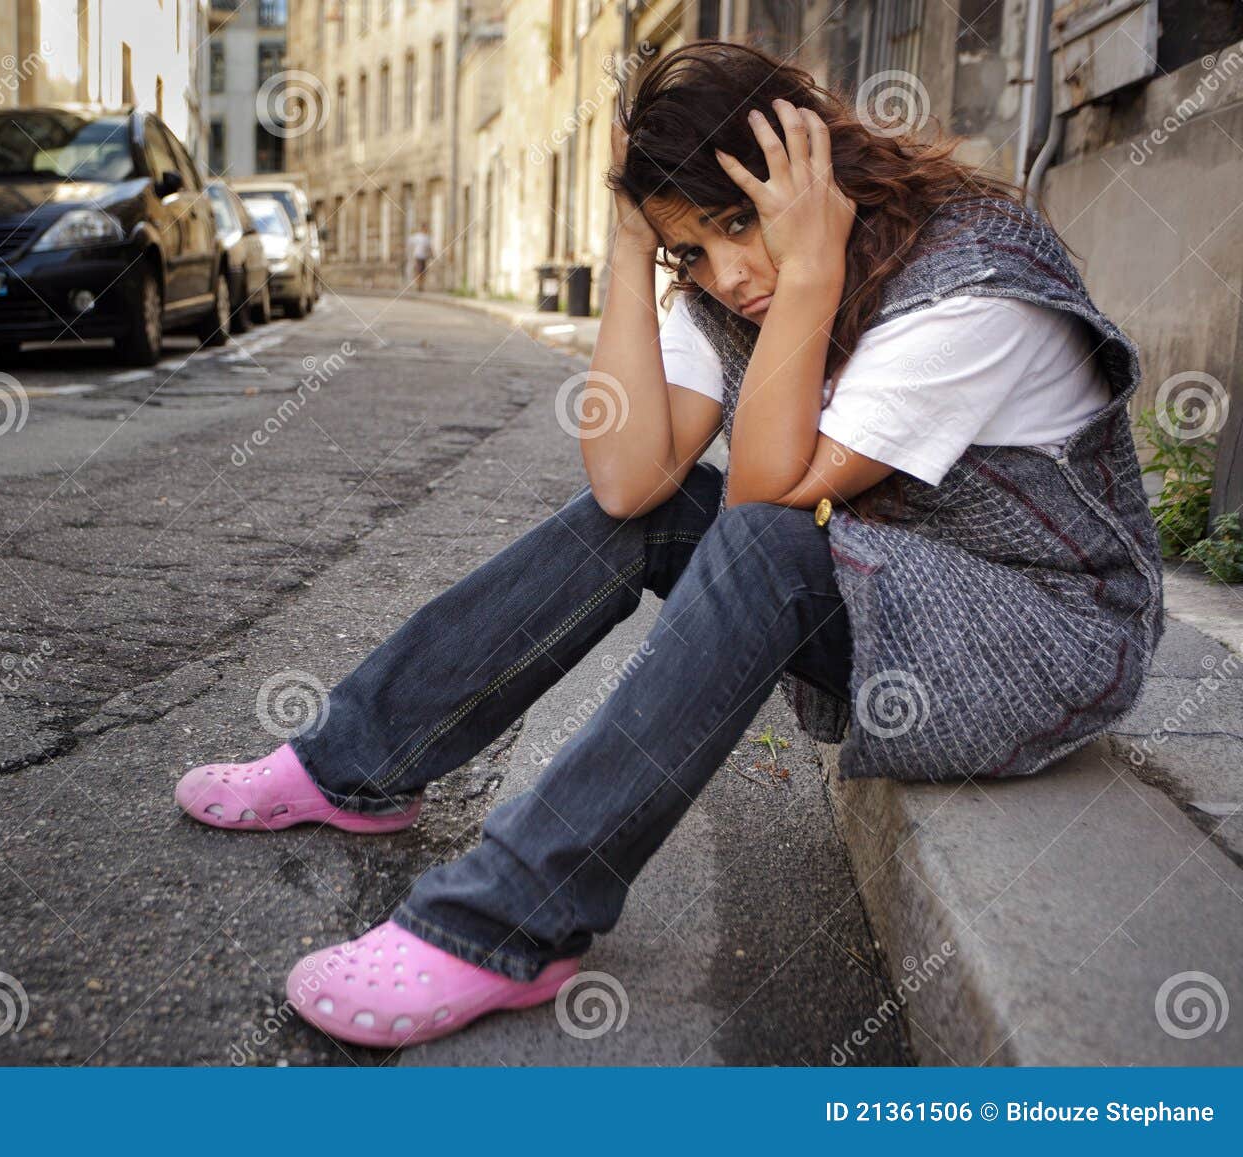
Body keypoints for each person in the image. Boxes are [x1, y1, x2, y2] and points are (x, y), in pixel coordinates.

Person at [173, 40, 1163, 1050]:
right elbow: (626, 479)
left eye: (740, 222)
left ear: (818, 176)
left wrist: (812, 264)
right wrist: (628, 246)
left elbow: (766, 506)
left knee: (767, 540)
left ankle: (508, 913)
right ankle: (357, 762)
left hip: (1038, 641)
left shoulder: (972, 286)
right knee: (654, 512)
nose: (727, 274)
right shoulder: (735, 286)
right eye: (690, 247)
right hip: (892, 598)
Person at [407, 223, 435, 290]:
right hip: (418, 256)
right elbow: (410, 242)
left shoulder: (427, 237)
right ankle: (418, 284)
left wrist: (432, 255)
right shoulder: (417, 236)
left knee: (424, 271)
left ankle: (421, 284)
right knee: (418, 270)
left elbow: (429, 247)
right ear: (422, 228)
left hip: (424, 257)